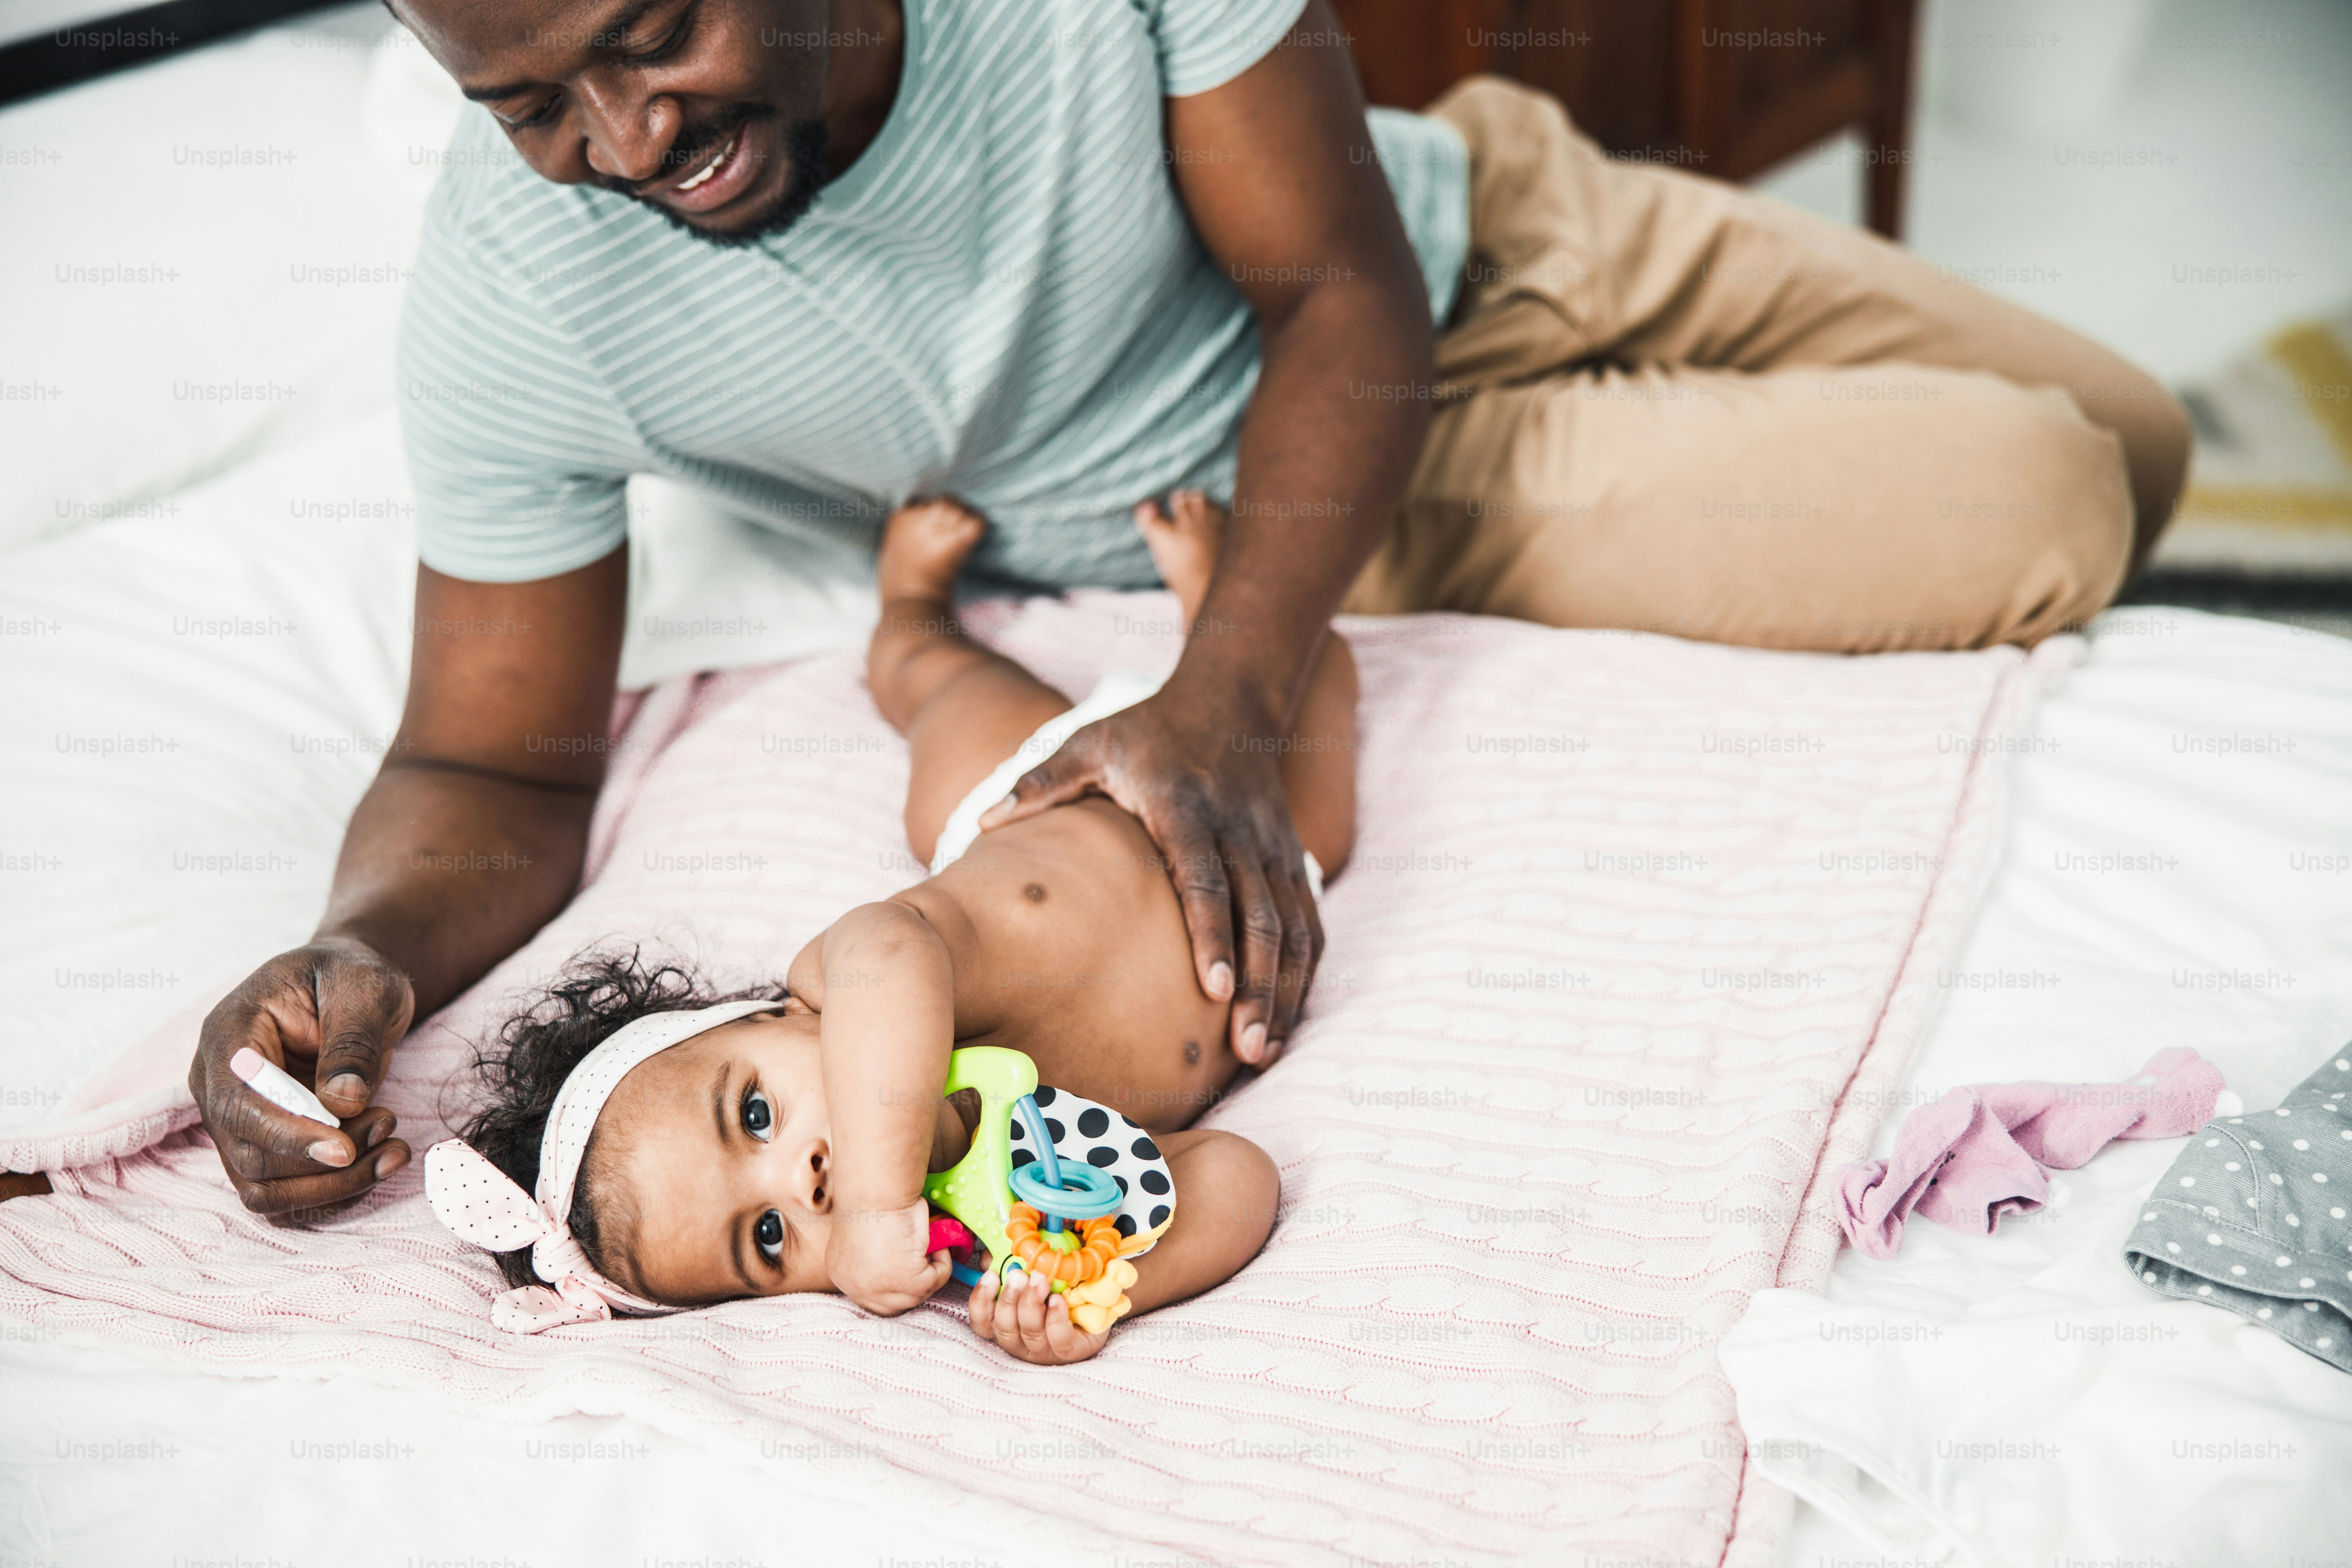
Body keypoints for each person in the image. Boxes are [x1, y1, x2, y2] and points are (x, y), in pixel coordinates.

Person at [177, 0, 2189, 1222]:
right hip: (1318, 503)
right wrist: (358, 953)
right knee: (2052, 494)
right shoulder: (516, 296)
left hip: (1458, 238)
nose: (623, 146)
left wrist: (1229, 697)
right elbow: (488, 750)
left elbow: (1335, 281)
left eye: (651, 35)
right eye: (528, 104)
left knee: (2140, 432)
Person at [429, 491, 1340, 1363]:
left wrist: (873, 1206)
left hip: (1033, 790)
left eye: (754, 1114)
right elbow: (1236, 1177)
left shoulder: (839, 983)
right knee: (1324, 688)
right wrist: (1102, 1284)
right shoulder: (1021, 1204)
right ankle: (1215, 621)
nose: (802, 1177)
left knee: (934, 679)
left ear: (767, 1017)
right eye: (771, 1236)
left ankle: (910, 604)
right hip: (1244, 855)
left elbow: (895, 952)